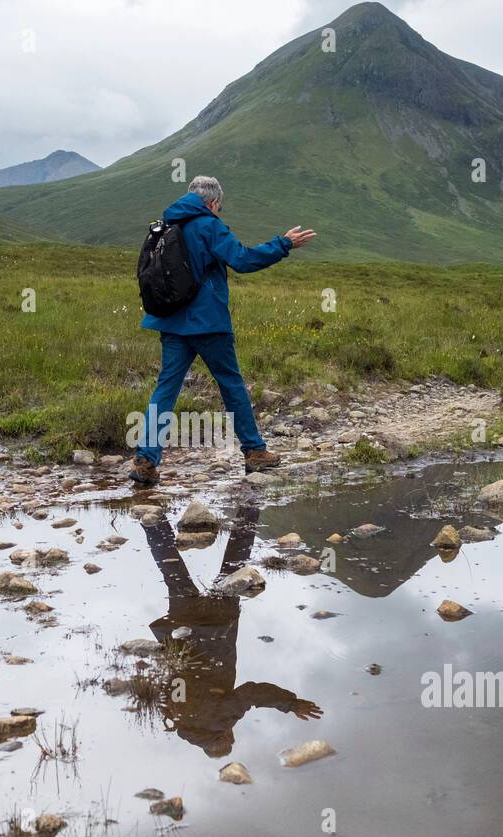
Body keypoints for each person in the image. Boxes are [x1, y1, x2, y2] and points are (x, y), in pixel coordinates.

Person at [129, 176, 316, 485]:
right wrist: (283, 244)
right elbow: (242, 260)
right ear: (213, 203)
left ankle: (145, 460)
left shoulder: (166, 224)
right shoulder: (209, 225)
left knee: (165, 389)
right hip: (208, 322)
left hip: (172, 322)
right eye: (220, 207)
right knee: (231, 384)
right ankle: (255, 451)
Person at [141, 503, 322, 757]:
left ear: (225, 737)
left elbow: (251, 693)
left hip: (218, 627)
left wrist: (290, 703)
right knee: (173, 574)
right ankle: (153, 524)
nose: (232, 731)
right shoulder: (178, 716)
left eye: (231, 737)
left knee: (234, 565)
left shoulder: (219, 721)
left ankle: (250, 508)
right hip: (183, 630)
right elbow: (172, 681)